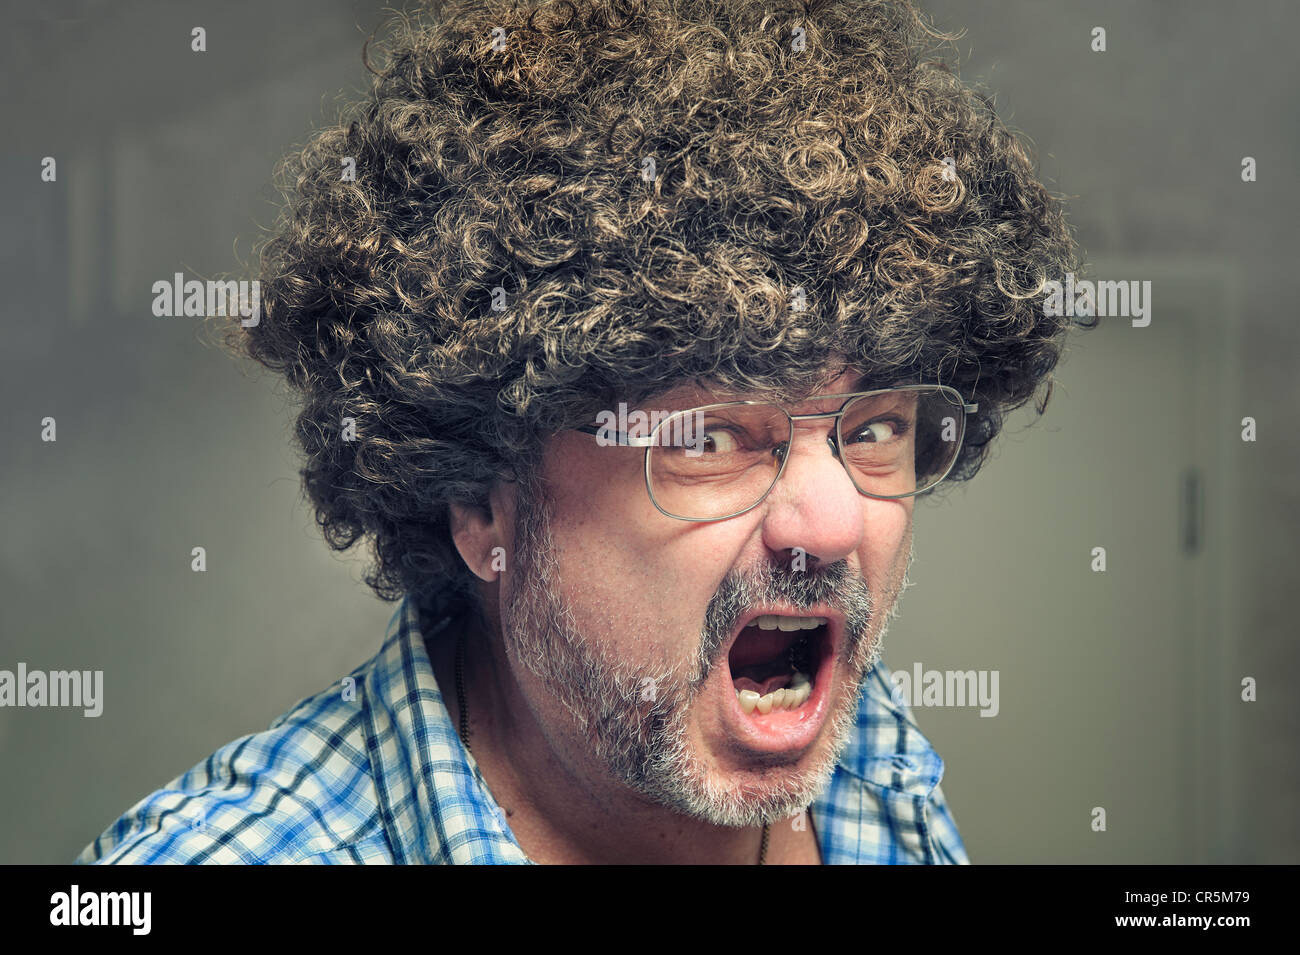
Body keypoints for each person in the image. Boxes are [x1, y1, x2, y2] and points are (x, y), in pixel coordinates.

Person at [78, 0, 1078, 864]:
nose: (830, 520)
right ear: (481, 499)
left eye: (874, 429)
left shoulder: (875, 771)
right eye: (709, 437)